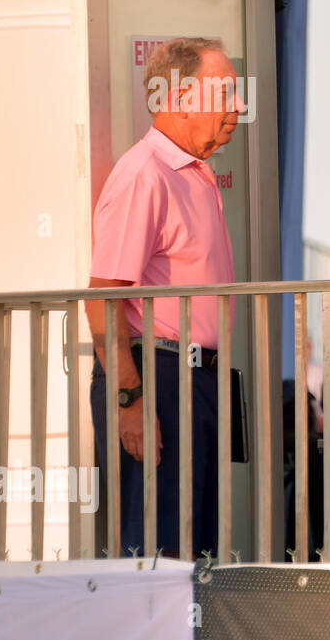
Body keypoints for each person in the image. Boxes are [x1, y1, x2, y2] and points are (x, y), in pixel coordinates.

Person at [85, 36, 243, 556]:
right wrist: (130, 399)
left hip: (194, 379)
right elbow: (103, 297)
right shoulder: (145, 173)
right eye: (223, 93)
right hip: (157, 376)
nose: (237, 107)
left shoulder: (193, 174)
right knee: (155, 555)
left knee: (193, 554)